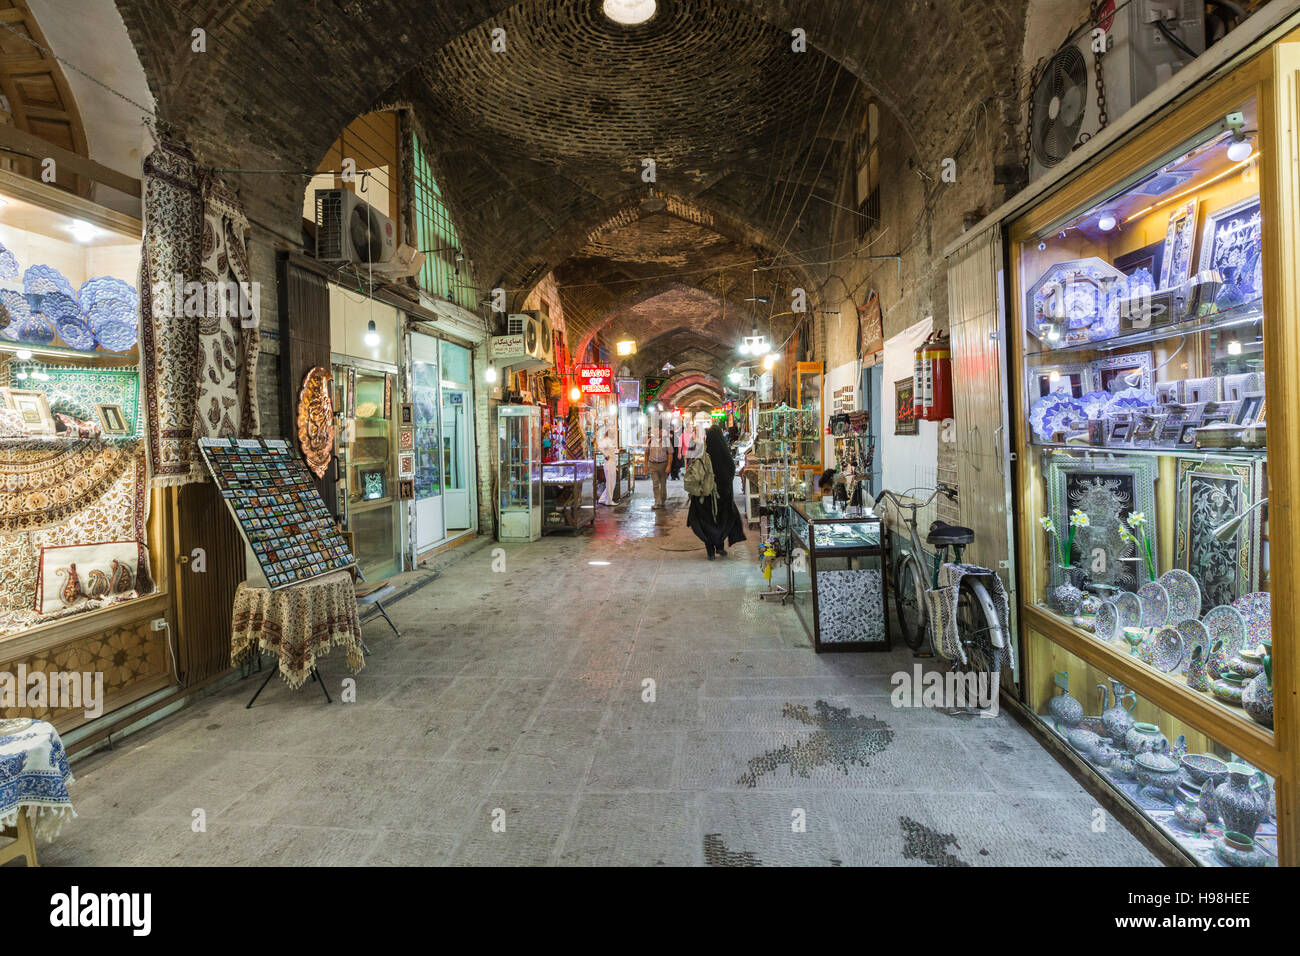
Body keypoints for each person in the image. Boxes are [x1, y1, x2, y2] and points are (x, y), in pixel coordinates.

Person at [686, 424, 746, 560]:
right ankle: (720, 546)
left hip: (706, 496)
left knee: (707, 521)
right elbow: (731, 471)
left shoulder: (704, 454)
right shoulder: (725, 454)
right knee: (721, 521)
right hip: (723, 496)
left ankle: (711, 550)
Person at [646, 426, 670, 509]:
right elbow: (646, 453)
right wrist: (645, 465)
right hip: (652, 465)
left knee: (663, 484)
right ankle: (657, 502)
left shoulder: (666, 441)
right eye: (654, 431)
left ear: (661, 432)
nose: (656, 433)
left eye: (658, 431)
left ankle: (663, 500)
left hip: (663, 465)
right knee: (655, 484)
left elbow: (670, 454)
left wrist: (669, 466)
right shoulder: (650, 441)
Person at [597, 429, 617, 506]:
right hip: (609, 463)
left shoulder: (609, 441)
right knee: (610, 482)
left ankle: (602, 499)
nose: (614, 434)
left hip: (611, 463)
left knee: (611, 482)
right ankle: (609, 501)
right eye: (612, 433)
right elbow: (600, 447)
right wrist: (606, 455)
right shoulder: (606, 440)